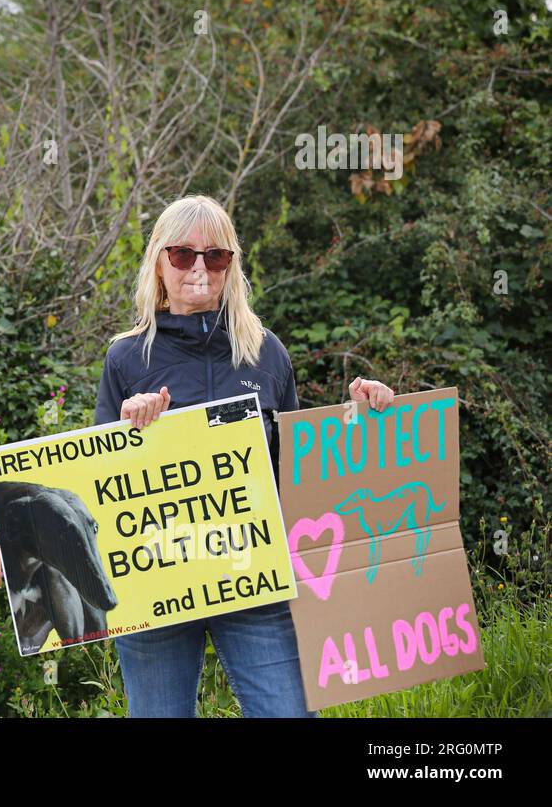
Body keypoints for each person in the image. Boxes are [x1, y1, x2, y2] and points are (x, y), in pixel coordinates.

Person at [95, 194, 395, 718]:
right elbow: (95, 480)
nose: (199, 269)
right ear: (158, 263)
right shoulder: (126, 357)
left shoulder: (266, 352)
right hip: (157, 585)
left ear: (231, 266)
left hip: (253, 579)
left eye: (215, 256)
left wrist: (364, 419)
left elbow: (300, 472)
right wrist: (127, 427)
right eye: (182, 254)